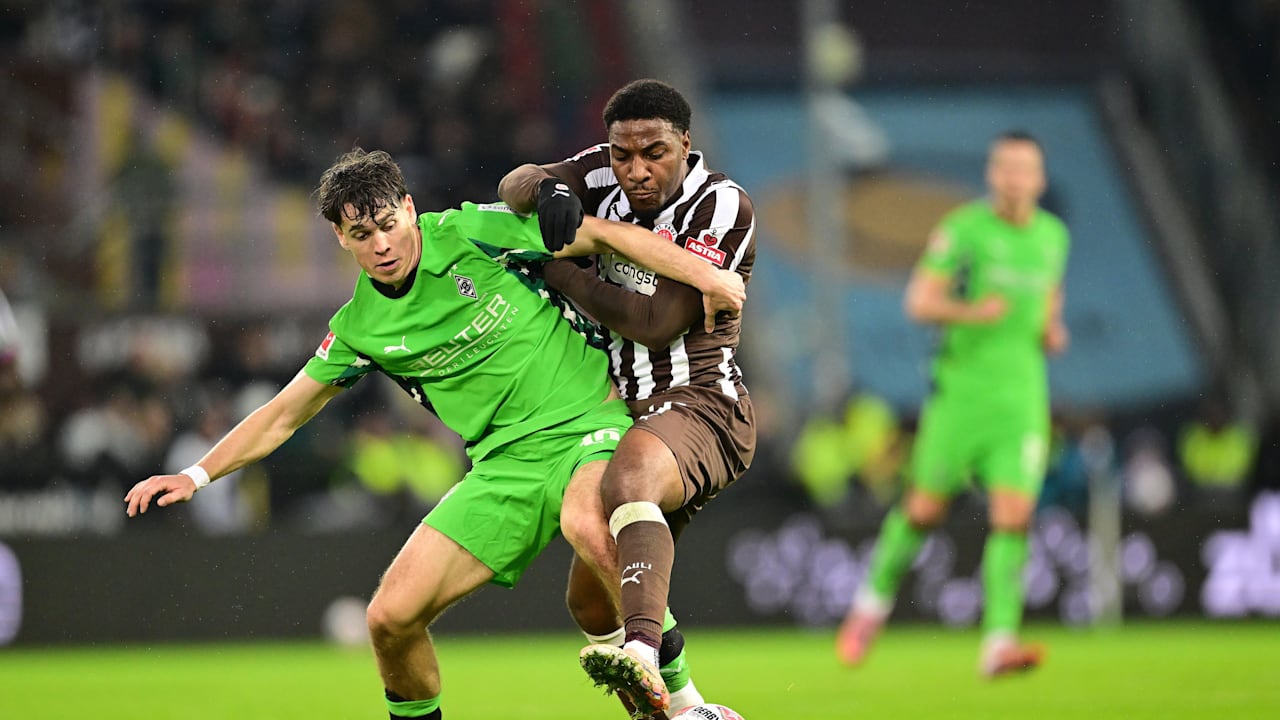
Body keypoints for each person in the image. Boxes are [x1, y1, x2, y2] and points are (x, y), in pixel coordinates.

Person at [124, 148, 744, 720]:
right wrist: (195, 474)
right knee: (389, 619)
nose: (383, 244)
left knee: (589, 525)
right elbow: (284, 413)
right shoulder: (360, 327)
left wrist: (708, 277)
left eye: (390, 223)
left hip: (586, 426)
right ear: (341, 239)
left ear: (410, 208)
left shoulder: (474, 232)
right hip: (500, 468)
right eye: (363, 234)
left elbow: (606, 234)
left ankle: (690, 707)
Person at [499, 78, 757, 717]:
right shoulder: (599, 173)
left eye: (654, 154)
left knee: (627, 482)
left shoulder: (721, 206)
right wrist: (553, 187)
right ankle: (684, 713)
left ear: (685, 145)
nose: (636, 171)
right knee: (589, 600)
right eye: (622, 156)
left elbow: (655, 320)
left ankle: (644, 651)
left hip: (703, 403)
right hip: (624, 412)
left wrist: (549, 262)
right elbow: (513, 186)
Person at [835, 131, 1070, 678]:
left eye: (1024, 169)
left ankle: (998, 644)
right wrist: (972, 312)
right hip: (960, 397)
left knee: (1014, 517)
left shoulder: (1053, 237)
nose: (1014, 179)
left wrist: (1052, 330)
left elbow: (1050, 302)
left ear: (1038, 179)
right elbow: (918, 300)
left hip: (1021, 401)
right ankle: (871, 604)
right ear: (993, 175)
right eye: (1005, 168)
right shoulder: (964, 230)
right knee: (922, 510)